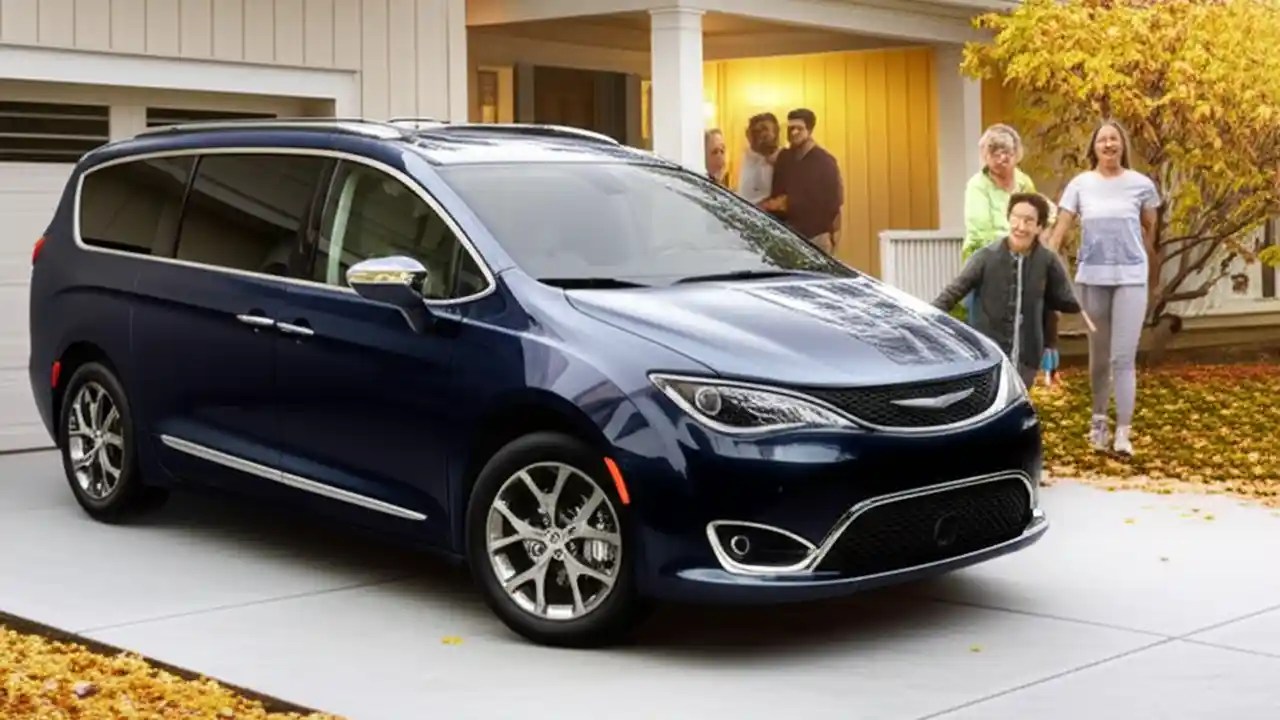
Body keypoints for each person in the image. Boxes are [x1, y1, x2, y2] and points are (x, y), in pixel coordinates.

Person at [1046, 119, 1160, 457]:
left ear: (1122, 145)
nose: (1108, 144)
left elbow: (1149, 228)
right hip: (1093, 278)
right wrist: (1045, 263)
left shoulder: (1141, 184)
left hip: (1131, 278)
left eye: (1114, 139)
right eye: (1102, 140)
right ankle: (1098, 422)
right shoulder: (1080, 184)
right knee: (1098, 357)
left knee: (1123, 357)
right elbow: (1060, 229)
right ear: (1094, 148)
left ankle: (1123, 432)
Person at [933, 192, 1082, 388]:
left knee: (1017, 400)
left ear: (1039, 227)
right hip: (988, 355)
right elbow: (953, 292)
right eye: (1016, 218)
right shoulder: (985, 257)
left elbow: (1067, 302)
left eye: (1028, 221)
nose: (1020, 226)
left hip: (1027, 358)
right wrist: (926, 317)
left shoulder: (1047, 261)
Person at [962, 124, 1062, 383]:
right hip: (987, 268)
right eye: (994, 152)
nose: (1001, 158)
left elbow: (1043, 212)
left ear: (1016, 153)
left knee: (1025, 331)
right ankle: (988, 384)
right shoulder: (977, 186)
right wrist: (1021, 235)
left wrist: (1042, 232)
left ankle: (1025, 381)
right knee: (988, 338)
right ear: (985, 155)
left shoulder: (1023, 181)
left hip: (1022, 266)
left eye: (1007, 151)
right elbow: (982, 231)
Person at [758, 108, 844, 255]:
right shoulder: (784, 159)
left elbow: (834, 202)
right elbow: (776, 193)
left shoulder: (825, 162)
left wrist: (833, 238)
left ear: (809, 130)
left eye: (799, 128)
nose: (794, 132)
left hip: (816, 237)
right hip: (788, 237)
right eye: (791, 128)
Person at [737, 112, 781, 204]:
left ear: (776, 132)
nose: (761, 135)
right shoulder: (747, 158)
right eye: (756, 131)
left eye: (765, 129)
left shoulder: (787, 160)